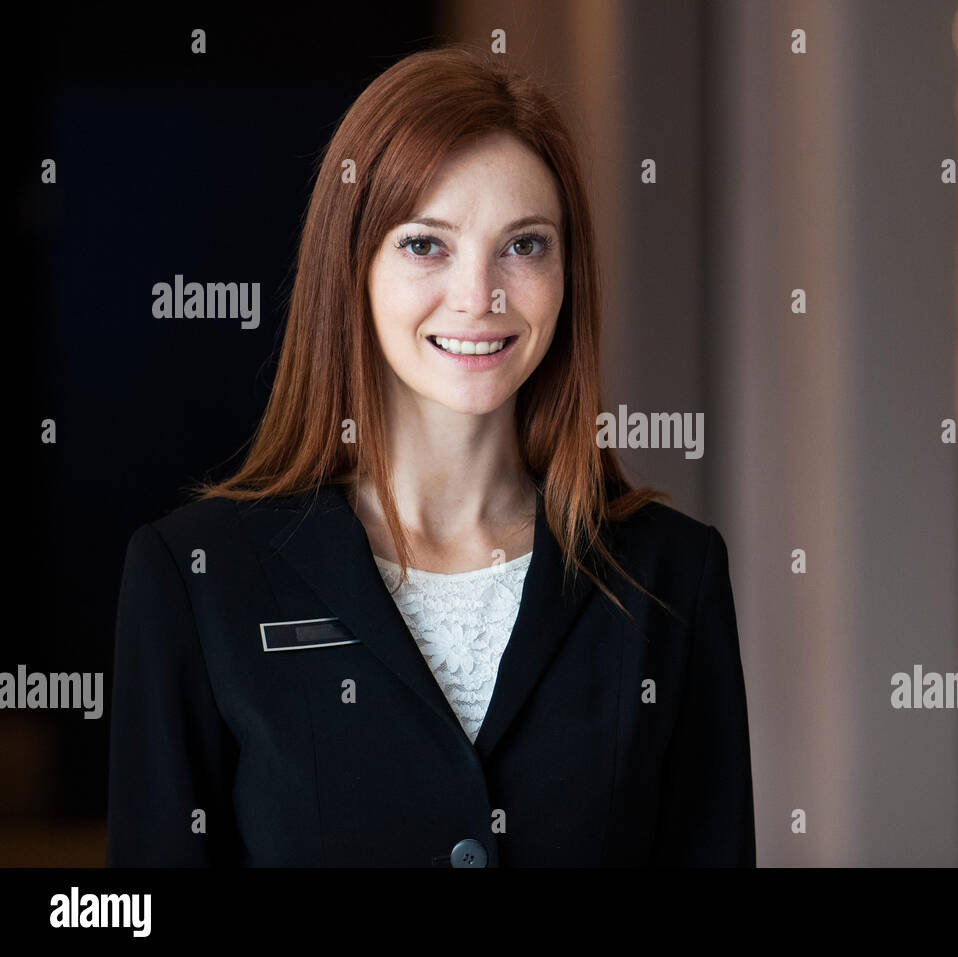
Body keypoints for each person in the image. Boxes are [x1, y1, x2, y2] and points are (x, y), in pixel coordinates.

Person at [106, 44, 756, 867]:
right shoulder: (196, 577)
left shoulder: (673, 575)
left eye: (524, 245)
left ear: (567, 275)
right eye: (426, 244)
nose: (479, 296)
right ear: (353, 268)